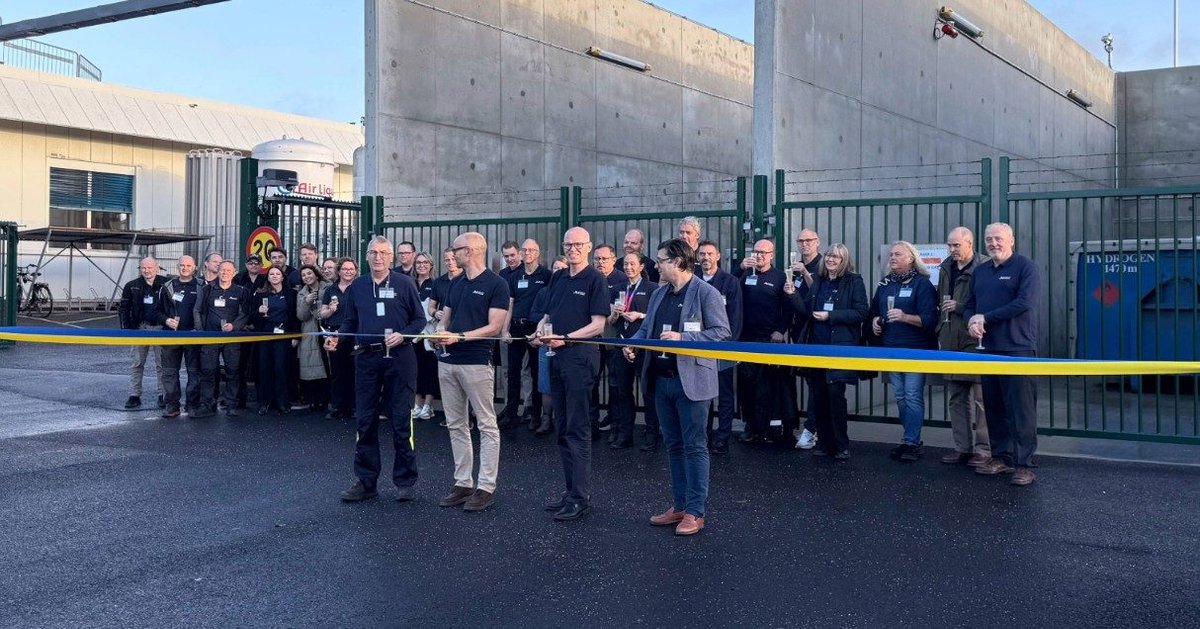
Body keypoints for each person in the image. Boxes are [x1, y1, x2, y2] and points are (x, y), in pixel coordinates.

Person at [625, 238, 730, 536]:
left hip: (692, 383)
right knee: (673, 445)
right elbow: (647, 330)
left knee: (695, 446)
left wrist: (684, 338)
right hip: (662, 382)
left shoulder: (706, 293)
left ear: (678, 262)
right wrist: (632, 345)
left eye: (661, 260)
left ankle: (696, 512)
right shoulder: (659, 294)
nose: (656, 265)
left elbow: (722, 333)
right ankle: (681, 505)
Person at [331, 236, 427, 502]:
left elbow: (420, 320)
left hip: (400, 358)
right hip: (367, 359)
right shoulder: (358, 287)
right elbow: (350, 321)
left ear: (392, 257)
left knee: (400, 421)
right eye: (373, 252)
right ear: (367, 256)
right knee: (365, 420)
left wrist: (404, 335)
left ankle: (405, 481)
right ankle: (366, 481)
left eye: (383, 253)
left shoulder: (404, 284)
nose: (378, 257)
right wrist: (337, 338)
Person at [532, 227, 609, 522]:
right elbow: (550, 313)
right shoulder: (559, 276)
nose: (572, 249)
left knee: (577, 429)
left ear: (588, 247)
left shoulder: (596, 279)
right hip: (555, 357)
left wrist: (566, 337)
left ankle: (580, 497)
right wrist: (542, 328)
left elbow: (598, 325)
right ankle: (569, 491)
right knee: (562, 427)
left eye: (578, 244)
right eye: (568, 244)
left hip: (579, 359)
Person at [431, 232, 511, 512]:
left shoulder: (496, 284)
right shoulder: (455, 284)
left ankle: (486, 486)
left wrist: (460, 337)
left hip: (476, 361)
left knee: (486, 425)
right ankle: (463, 482)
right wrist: (438, 334)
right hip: (447, 360)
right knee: (456, 424)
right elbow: (445, 320)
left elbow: (495, 327)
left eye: (457, 249)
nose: (453, 254)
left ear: (474, 250)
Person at [965, 222, 1040, 486]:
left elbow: (1024, 303)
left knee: (1021, 409)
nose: (993, 243)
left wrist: (986, 317)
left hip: (1017, 348)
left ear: (1011, 240)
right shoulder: (981, 271)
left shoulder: (1025, 267)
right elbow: (969, 304)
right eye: (989, 239)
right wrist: (972, 320)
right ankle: (1002, 458)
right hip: (988, 349)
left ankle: (1024, 464)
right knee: (994, 407)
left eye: (998, 238)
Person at [784, 243, 868, 460]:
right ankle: (823, 443)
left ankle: (841, 445)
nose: (831, 260)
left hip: (840, 348)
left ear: (844, 261)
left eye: (837, 257)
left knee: (835, 396)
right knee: (819, 395)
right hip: (816, 346)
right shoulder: (819, 281)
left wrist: (831, 316)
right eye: (829, 256)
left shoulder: (854, 281)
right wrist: (793, 295)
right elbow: (806, 311)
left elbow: (861, 312)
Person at [870, 240, 939, 462]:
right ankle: (909, 438)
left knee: (911, 395)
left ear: (911, 258)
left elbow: (930, 320)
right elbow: (873, 311)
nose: (892, 258)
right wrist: (875, 321)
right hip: (890, 348)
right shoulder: (885, 284)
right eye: (891, 254)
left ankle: (911, 442)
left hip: (915, 350)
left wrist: (905, 317)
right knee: (900, 396)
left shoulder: (923, 284)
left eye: (897, 254)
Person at [937, 227, 991, 467]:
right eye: (950, 245)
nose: (952, 250)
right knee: (956, 397)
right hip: (950, 337)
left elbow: (988, 301)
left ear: (970, 243)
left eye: (957, 245)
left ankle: (984, 449)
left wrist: (959, 307)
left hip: (975, 337)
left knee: (981, 398)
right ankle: (962, 447)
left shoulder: (985, 267)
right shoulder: (946, 267)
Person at [736, 239, 790, 444]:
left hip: (769, 339)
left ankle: (766, 428)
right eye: (755, 251)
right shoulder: (745, 275)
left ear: (771, 255)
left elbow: (787, 307)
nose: (758, 256)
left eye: (763, 253)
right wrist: (740, 269)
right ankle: (750, 427)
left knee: (766, 386)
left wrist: (780, 330)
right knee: (746, 384)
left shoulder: (779, 277)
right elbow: (728, 291)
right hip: (746, 338)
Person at [500, 239, 551, 429]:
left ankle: (536, 416)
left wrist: (541, 330)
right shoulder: (515, 276)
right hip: (516, 327)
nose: (527, 253)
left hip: (536, 329)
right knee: (513, 373)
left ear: (538, 253)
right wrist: (505, 329)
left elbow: (549, 305)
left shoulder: (546, 275)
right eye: (525, 250)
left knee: (537, 373)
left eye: (532, 250)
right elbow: (510, 304)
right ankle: (512, 414)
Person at [697, 240, 742, 454]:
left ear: (718, 257)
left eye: (709, 254)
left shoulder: (730, 282)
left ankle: (722, 436)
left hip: (723, 347)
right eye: (702, 254)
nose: (705, 257)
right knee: (703, 393)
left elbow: (735, 318)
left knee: (724, 393)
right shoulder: (693, 280)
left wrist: (729, 345)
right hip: (700, 346)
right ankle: (703, 434)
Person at [607, 252, 656, 450]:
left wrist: (639, 315)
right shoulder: (618, 289)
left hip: (643, 347)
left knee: (648, 392)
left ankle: (652, 434)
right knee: (623, 392)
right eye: (625, 264)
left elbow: (654, 317)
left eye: (632, 264)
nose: (628, 267)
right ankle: (625, 435)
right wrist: (615, 313)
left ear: (642, 266)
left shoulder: (652, 289)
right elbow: (609, 322)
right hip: (621, 345)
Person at [192, 260, 251, 418]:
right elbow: (197, 310)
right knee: (208, 371)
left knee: (233, 371)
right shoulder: (207, 289)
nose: (225, 273)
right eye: (222, 270)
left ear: (234, 273)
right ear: (217, 271)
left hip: (232, 338)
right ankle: (207, 404)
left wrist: (234, 326)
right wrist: (201, 331)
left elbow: (245, 313)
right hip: (210, 336)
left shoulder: (241, 291)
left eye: (228, 270)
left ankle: (231, 404)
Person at [119, 256, 169, 409]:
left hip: (161, 329)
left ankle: (163, 395)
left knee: (162, 364)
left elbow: (173, 306)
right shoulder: (131, 286)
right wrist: (127, 330)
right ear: (140, 269)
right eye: (143, 268)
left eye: (150, 268)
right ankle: (135, 395)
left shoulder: (166, 284)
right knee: (137, 363)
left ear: (157, 267)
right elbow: (124, 309)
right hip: (139, 329)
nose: (147, 271)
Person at [790, 229, 823, 450]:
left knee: (816, 382)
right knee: (807, 380)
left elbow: (819, 293)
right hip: (798, 331)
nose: (804, 245)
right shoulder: (793, 269)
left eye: (808, 240)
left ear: (817, 242)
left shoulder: (822, 266)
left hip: (818, 333)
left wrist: (805, 273)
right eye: (800, 241)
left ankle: (812, 428)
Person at [252, 266, 300, 415]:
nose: (274, 276)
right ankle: (264, 402)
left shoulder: (291, 294)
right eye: (271, 274)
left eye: (277, 274)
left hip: (283, 335)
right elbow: (251, 317)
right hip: (265, 334)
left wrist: (295, 336)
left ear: (282, 277)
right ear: (267, 277)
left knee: (281, 368)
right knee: (264, 368)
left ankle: (282, 402)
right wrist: (258, 312)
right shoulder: (260, 294)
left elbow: (295, 316)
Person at [158, 255, 202, 418]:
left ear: (194, 268)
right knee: (169, 372)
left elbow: (204, 310)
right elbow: (157, 311)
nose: (185, 268)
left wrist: (199, 329)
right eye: (182, 265)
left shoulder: (201, 286)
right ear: (177, 267)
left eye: (188, 265)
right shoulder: (167, 286)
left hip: (193, 335)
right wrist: (166, 320)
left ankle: (192, 405)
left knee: (194, 372)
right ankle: (172, 405)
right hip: (171, 336)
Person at [529, 256, 569, 436]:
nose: (558, 271)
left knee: (567, 383)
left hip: (566, 343)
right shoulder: (545, 292)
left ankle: (565, 420)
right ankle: (546, 419)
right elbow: (540, 315)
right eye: (556, 268)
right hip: (546, 343)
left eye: (562, 268)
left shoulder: (570, 292)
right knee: (545, 382)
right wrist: (539, 332)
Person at [591, 243, 626, 437]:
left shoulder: (621, 280)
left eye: (604, 259)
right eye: (597, 259)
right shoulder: (590, 278)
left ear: (614, 260)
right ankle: (592, 424)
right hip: (591, 340)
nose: (600, 263)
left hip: (613, 341)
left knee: (615, 384)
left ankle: (615, 422)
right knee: (592, 382)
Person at [318, 257, 358, 420]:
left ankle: (355, 407)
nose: (348, 272)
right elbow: (322, 313)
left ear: (355, 271)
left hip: (355, 332)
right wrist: (331, 311)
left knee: (355, 371)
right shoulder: (330, 290)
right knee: (337, 371)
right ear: (339, 271)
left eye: (351, 269)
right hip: (335, 332)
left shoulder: (359, 288)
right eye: (345, 269)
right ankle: (338, 406)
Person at [296, 264, 331, 412]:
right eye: (304, 275)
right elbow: (301, 316)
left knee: (327, 364)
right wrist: (307, 302)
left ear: (316, 274)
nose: (307, 277)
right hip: (310, 332)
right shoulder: (301, 294)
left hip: (326, 330)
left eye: (309, 273)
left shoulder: (328, 288)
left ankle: (326, 400)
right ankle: (313, 400)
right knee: (311, 367)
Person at [409, 252, 439, 421]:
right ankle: (417, 404)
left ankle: (428, 405)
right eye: (418, 263)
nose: (421, 265)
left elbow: (437, 308)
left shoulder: (435, 284)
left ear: (431, 265)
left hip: (429, 333)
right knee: (414, 370)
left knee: (429, 370)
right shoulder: (409, 283)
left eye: (425, 262)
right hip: (413, 334)